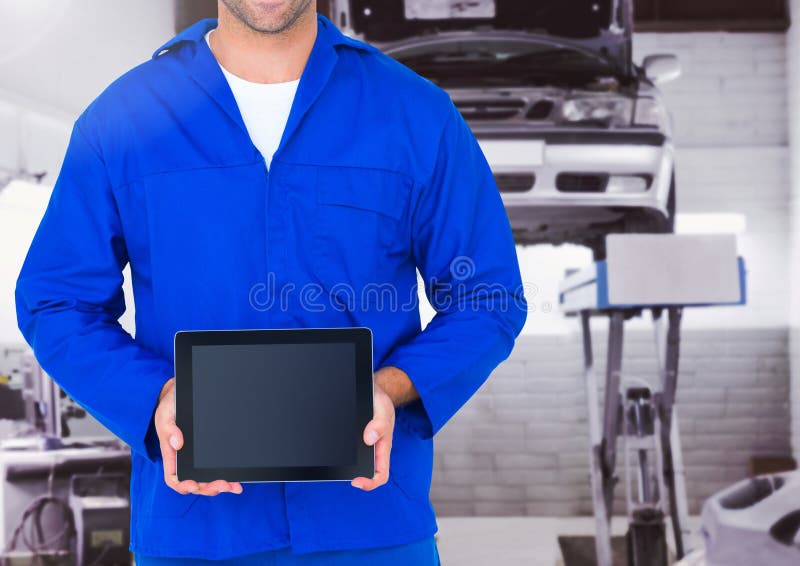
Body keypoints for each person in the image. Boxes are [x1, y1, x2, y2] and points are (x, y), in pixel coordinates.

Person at [15, 1, 526, 564]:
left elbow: (488, 297)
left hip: (370, 528)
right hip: (196, 531)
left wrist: (392, 387)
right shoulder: (124, 120)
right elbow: (56, 301)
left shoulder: (413, 114)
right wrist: (158, 397)